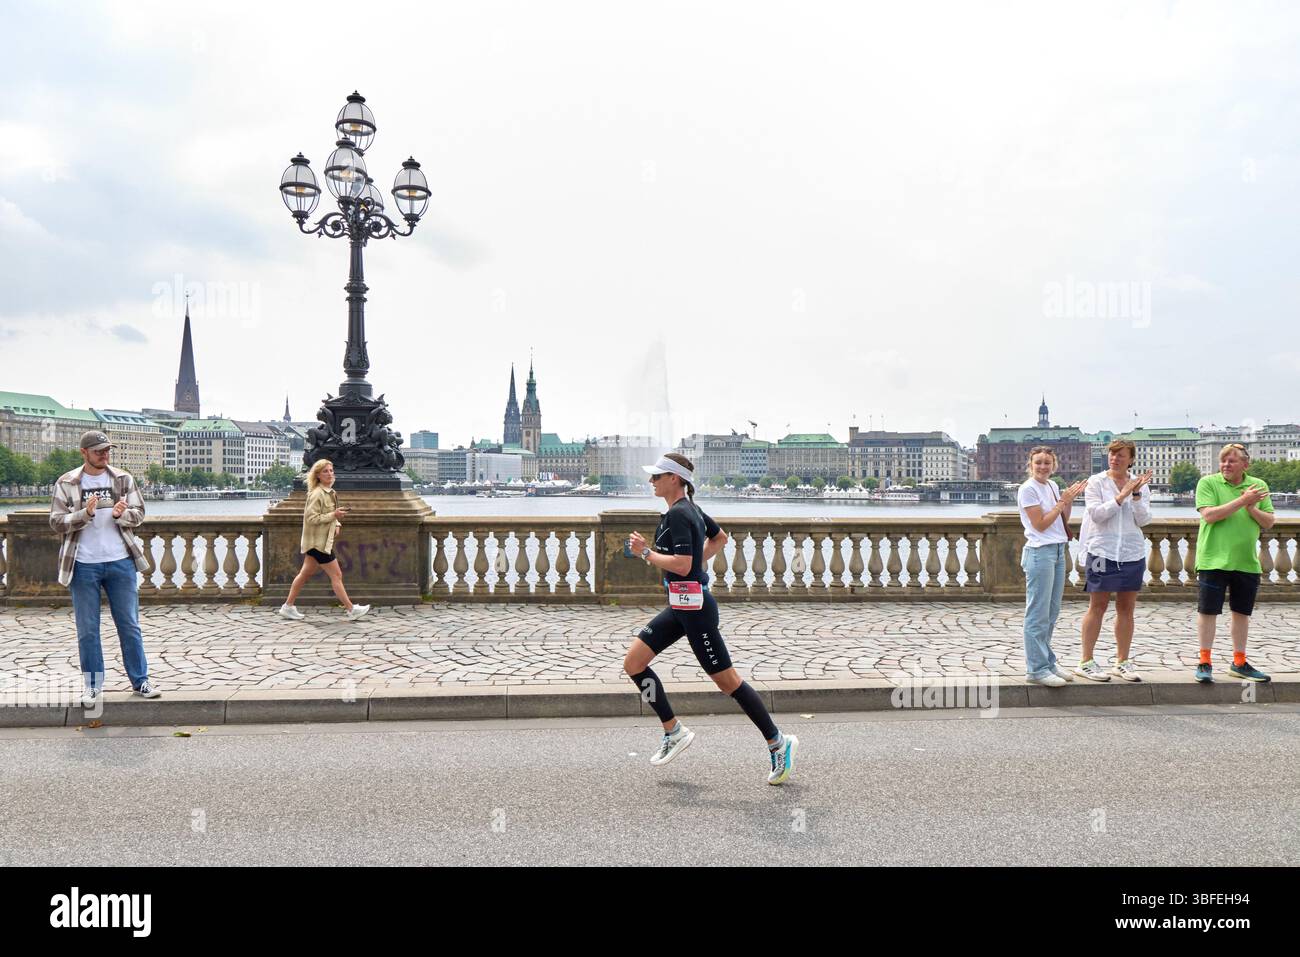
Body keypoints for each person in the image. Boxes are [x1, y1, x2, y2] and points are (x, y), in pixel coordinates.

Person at [623, 452, 797, 785]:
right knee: (634, 663)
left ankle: (778, 742)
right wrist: (695, 563)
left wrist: (646, 553)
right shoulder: (689, 510)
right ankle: (673, 730)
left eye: (657, 476)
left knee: (728, 682)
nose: (651, 481)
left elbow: (683, 565)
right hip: (679, 607)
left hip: (697, 612)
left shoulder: (681, 513)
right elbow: (720, 538)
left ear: (674, 478)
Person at [49, 430, 159, 704]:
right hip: (82, 564)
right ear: (84, 453)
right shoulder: (66, 482)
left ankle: (141, 681)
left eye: (107, 450)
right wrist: (84, 514)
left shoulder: (123, 479)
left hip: (121, 562)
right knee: (88, 630)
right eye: (99, 451)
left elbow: (139, 514)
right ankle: (93, 686)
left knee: (130, 625)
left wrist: (123, 515)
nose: (104, 455)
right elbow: (56, 521)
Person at [1193, 443, 1273, 683]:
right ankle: (1204, 661)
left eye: (1232, 461)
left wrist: (1251, 507)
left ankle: (1239, 662)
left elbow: (1268, 522)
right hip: (1212, 559)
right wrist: (1243, 500)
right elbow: (1209, 515)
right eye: (1223, 460)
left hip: (1246, 561)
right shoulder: (1208, 483)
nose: (1226, 465)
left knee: (1241, 613)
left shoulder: (1259, 486)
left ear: (1245, 465)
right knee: (1208, 611)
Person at [1075, 440, 1153, 681]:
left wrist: (1136, 494)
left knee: (1127, 608)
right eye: (1112, 454)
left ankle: (1122, 661)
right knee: (1097, 606)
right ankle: (1086, 661)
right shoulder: (1096, 482)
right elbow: (1097, 515)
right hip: (1101, 551)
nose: (1115, 459)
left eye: (1120, 455)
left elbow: (1144, 520)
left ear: (1131, 460)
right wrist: (1121, 496)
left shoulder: (1140, 485)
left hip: (1132, 553)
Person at [1017, 446, 1088, 687]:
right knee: (1037, 614)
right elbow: (1039, 525)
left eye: (1047, 462)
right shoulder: (1028, 489)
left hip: (1057, 550)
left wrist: (1068, 501)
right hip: (1040, 552)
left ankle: (1047, 662)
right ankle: (1036, 669)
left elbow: (1061, 518)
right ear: (1030, 464)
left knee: (1051, 612)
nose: (1043, 466)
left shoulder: (1051, 486)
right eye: (1038, 462)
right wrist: (1062, 502)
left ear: (1053, 465)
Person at [279, 459, 370, 621]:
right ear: (318, 475)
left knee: (304, 574)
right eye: (325, 471)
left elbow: (332, 513)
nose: (330, 474)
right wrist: (334, 516)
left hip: (319, 542)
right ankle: (351, 609)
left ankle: (288, 606)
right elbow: (312, 518)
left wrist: (337, 522)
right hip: (318, 543)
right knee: (336, 575)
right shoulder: (317, 494)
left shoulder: (330, 492)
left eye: (331, 470)